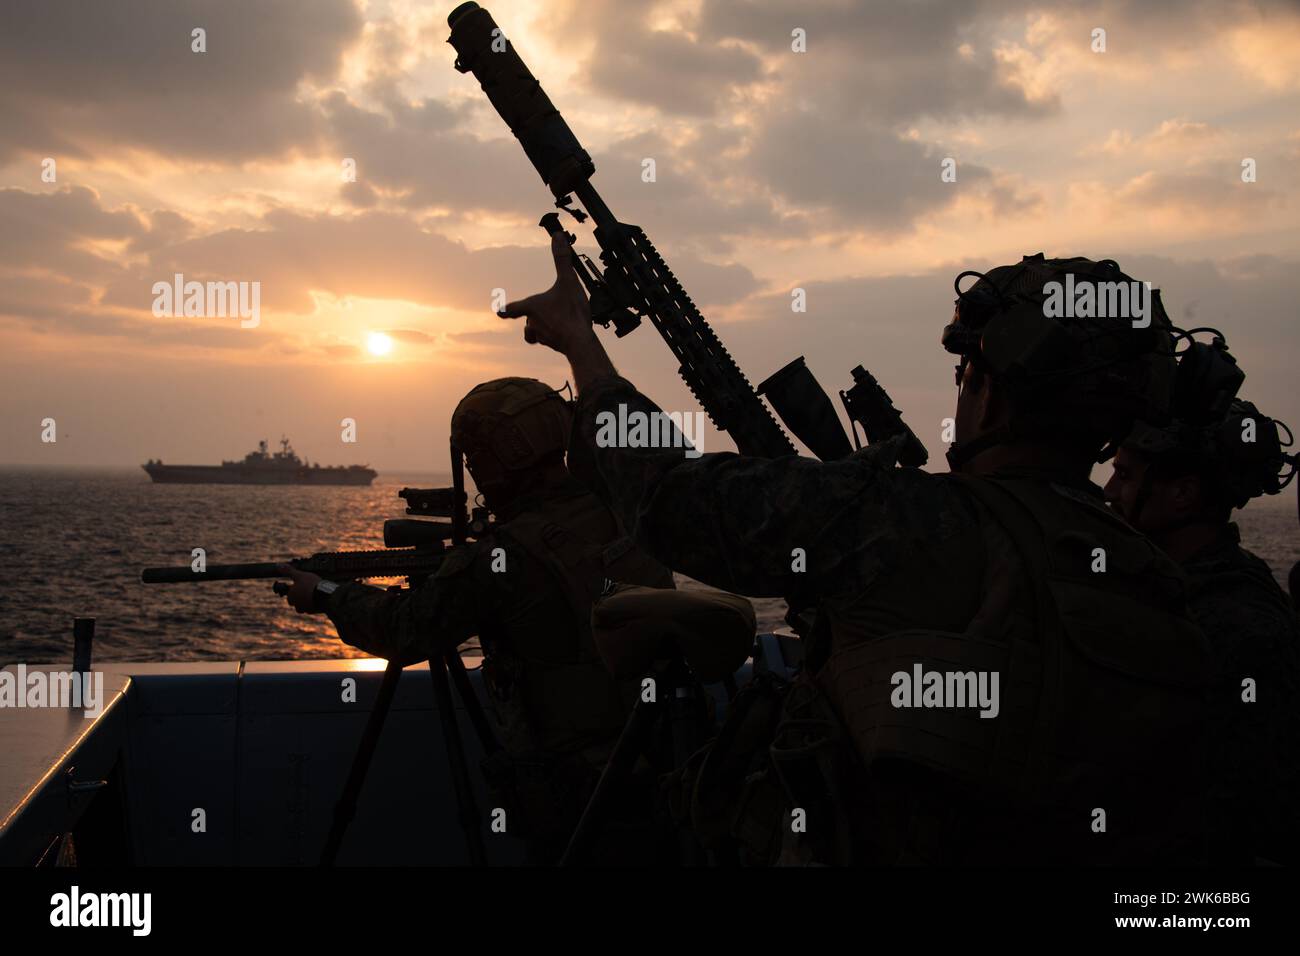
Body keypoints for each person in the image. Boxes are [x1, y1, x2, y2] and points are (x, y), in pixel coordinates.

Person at [500, 239, 1212, 864]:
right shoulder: (1152, 572)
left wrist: (582, 347)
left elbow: (668, 498)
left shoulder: (908, 524)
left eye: (968, 374)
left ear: (991, 393)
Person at [279, 377, 675, 863]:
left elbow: (406, 632)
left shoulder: (504, 554)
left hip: (580, 791)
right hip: (665, 765)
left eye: (475, 458)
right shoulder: (625, 510)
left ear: (498, 460)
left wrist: (325, 594)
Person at [1105, 392, 1299, 863]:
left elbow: (1248, 813)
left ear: (1183, 495)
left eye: (1125, 475)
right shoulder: (1173, 590)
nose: (1109, 491)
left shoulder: (1238, 627)